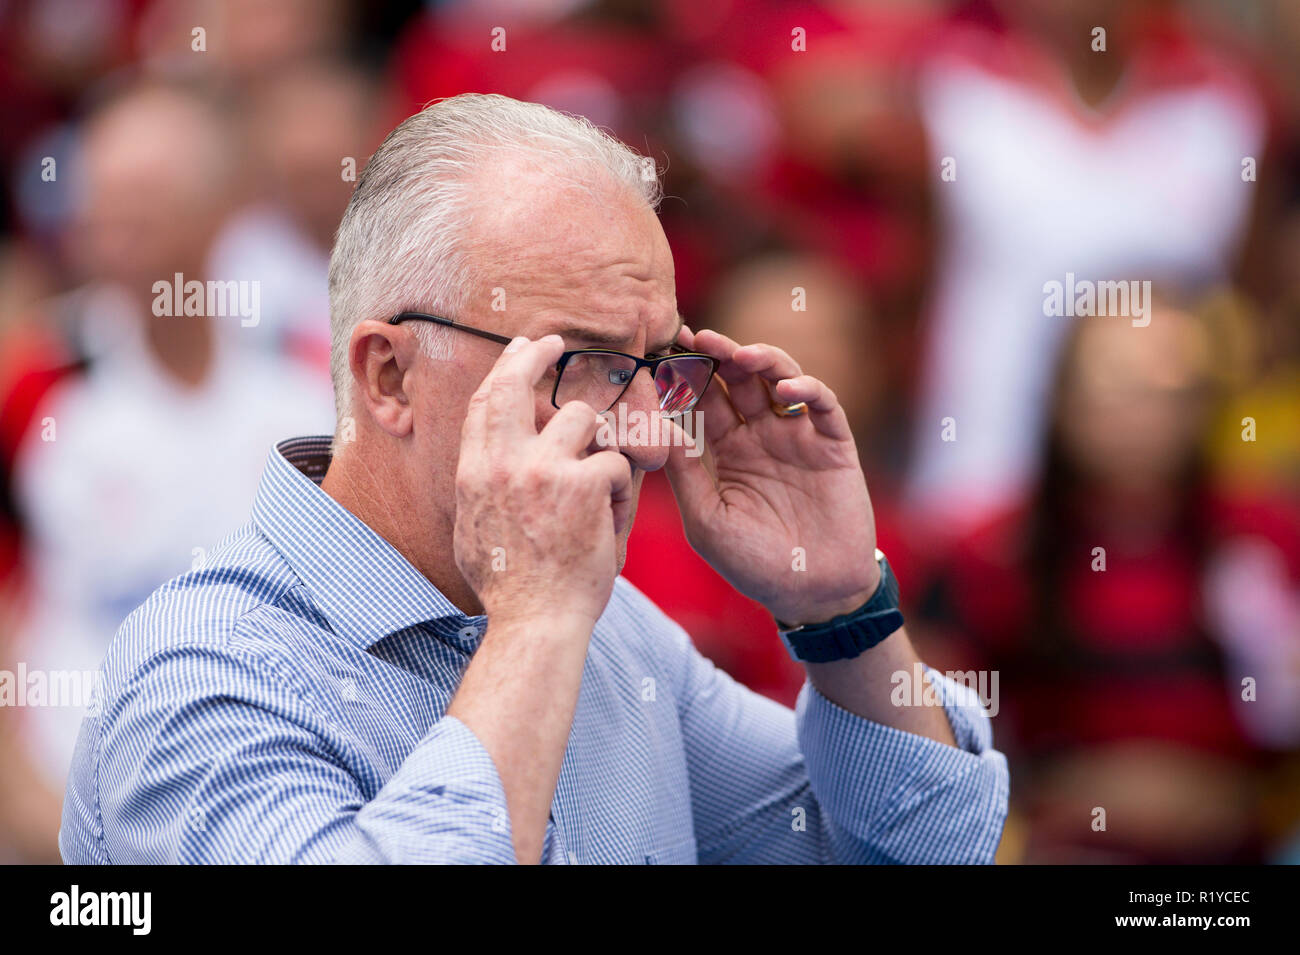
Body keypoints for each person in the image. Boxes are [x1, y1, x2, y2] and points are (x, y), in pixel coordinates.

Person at [61, 93, 1008, 865]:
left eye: (658, 363)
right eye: (587, 360)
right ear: (390, 376)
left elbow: (917, 850)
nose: (647, 431)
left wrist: (842, 610)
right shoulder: (202, 670)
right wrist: (538, 624)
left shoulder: (618, 634)